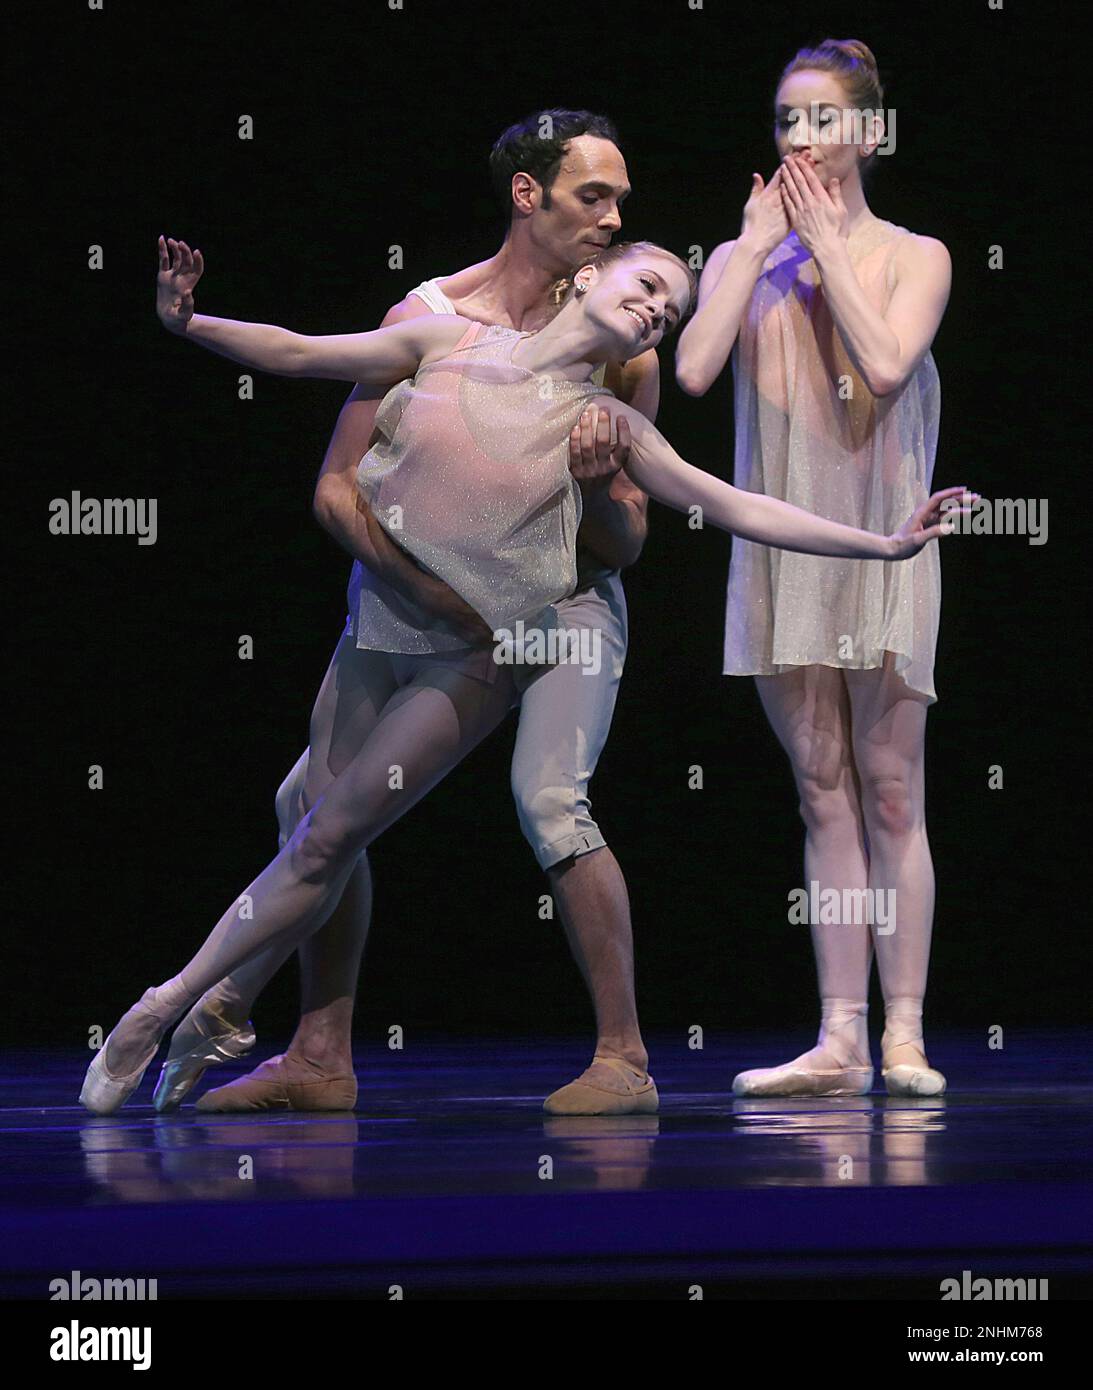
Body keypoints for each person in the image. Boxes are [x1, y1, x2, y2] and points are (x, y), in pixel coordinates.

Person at [79, 224, 968, 1118]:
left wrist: (884, 545)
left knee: (331, 832)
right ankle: (239, 1024)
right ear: (588, 275)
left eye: (672, 309)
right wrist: (189, 324)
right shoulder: (448, 337)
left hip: (482, 646)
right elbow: (306, 354)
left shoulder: (607, 423)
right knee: (306, 815)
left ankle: (159, 1009)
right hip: (383, 619)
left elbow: (729, 503)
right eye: (650, 283)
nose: (659, 308)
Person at [156, 111, 669, 1119]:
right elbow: (338, 486)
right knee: (310, 806)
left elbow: (626, 544)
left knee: (550, 801)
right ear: (528, 195)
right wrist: (433, 593)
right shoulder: (430, 314)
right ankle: (318, 1053)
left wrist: (603, 486)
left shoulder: (622, 338)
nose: (612, 219)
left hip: (557, 607)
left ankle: (626, 1057)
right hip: (424, 602)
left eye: (619, 201)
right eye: (590, 196)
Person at [677, 39, 955, 1097]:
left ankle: (904, 1034)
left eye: (823, 119)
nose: (800, 140)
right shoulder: (746, 256)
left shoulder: (913, 254)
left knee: (891, 790)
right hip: (785, 544)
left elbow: (885, 366)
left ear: (870, 133)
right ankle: (839, 1038)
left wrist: (828, 245)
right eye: (786, 120)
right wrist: (749, 251)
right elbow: (694, 370)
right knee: (822, 788)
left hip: (883, 539)